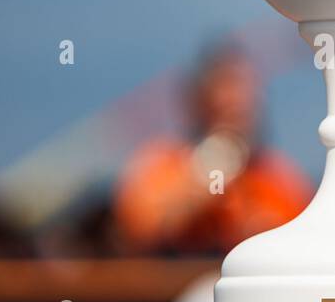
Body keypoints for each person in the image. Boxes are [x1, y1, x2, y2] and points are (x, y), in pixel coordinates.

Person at [114, 44, 312, 255]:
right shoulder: (163, 164)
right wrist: (198, 186)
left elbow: (304, 240)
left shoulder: (278, 177)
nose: (235, 115)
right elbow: (137, 227)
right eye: (224, 109)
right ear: (200, 105)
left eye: (241, 109)